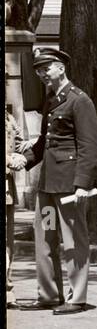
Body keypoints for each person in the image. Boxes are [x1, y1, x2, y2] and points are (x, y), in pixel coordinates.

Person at [17, 48, 97, 314]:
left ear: (61, 67)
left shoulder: (80, 101)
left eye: (46, 68)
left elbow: (89, 147)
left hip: (68, 188)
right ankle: (49, 295)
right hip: (49, 185)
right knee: (44, 239)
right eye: (38, 70)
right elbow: (44, 143)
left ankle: (77, 298)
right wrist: (24, 160)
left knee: (74, 241)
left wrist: (82, 185)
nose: (42, 74)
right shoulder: (51, 101)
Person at [6, 97, 27, 296]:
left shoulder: (9, 118)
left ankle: (7, 285)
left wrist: (23, 156)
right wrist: (8, 159)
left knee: (7, 240)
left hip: (7, 190)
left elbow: (19, 144)